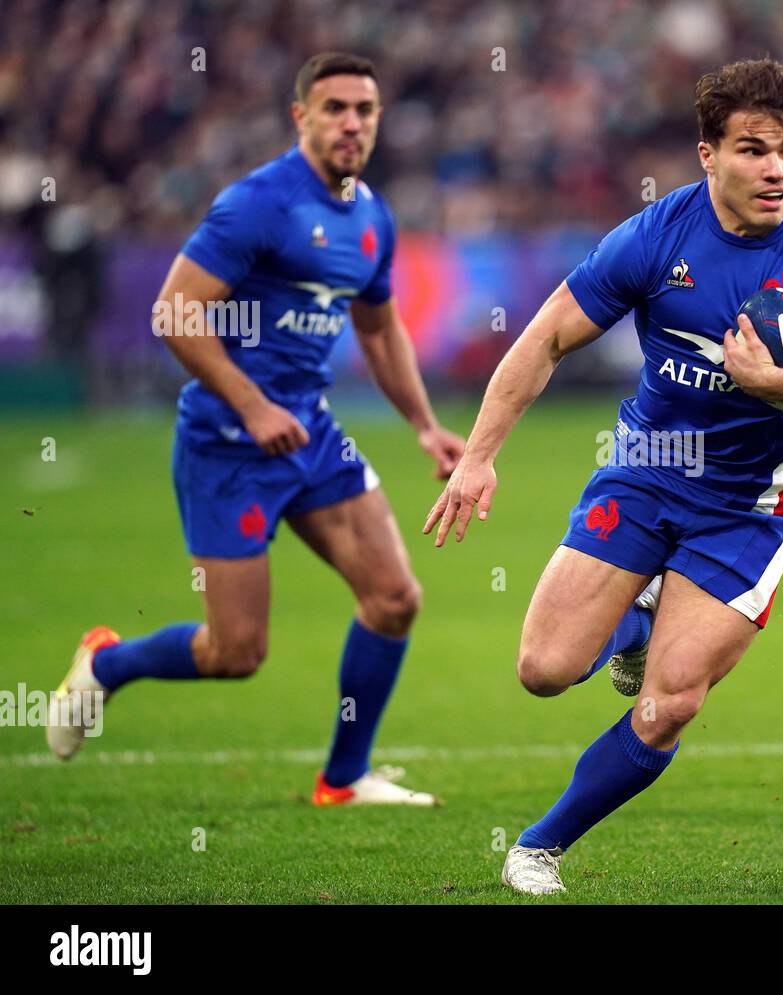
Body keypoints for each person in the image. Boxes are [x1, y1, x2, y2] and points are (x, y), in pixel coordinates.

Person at [424, 57, 783, 892]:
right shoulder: (657, 235)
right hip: (646, 475)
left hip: (746, 512)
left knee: (671, 701)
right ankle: (636, 615)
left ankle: (538, 846)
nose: (776, 169)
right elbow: (544, 336)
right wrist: (477, 457)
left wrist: (780, 385)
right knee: (544, 670)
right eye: (753, 150)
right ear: (707, 155)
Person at [48, 52, 464, 807]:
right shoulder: (259, 204)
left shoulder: (370, 215)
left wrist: (426, 426)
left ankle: (342, 778)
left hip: (311, 432)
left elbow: (378, 330)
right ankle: (108, 663)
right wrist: (251, 404)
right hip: (227, 444)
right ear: (300, 116)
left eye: (364, 110)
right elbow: (175, 310)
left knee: (395, 597)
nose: (351, 122)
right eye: (334, 107)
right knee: (237, 652)